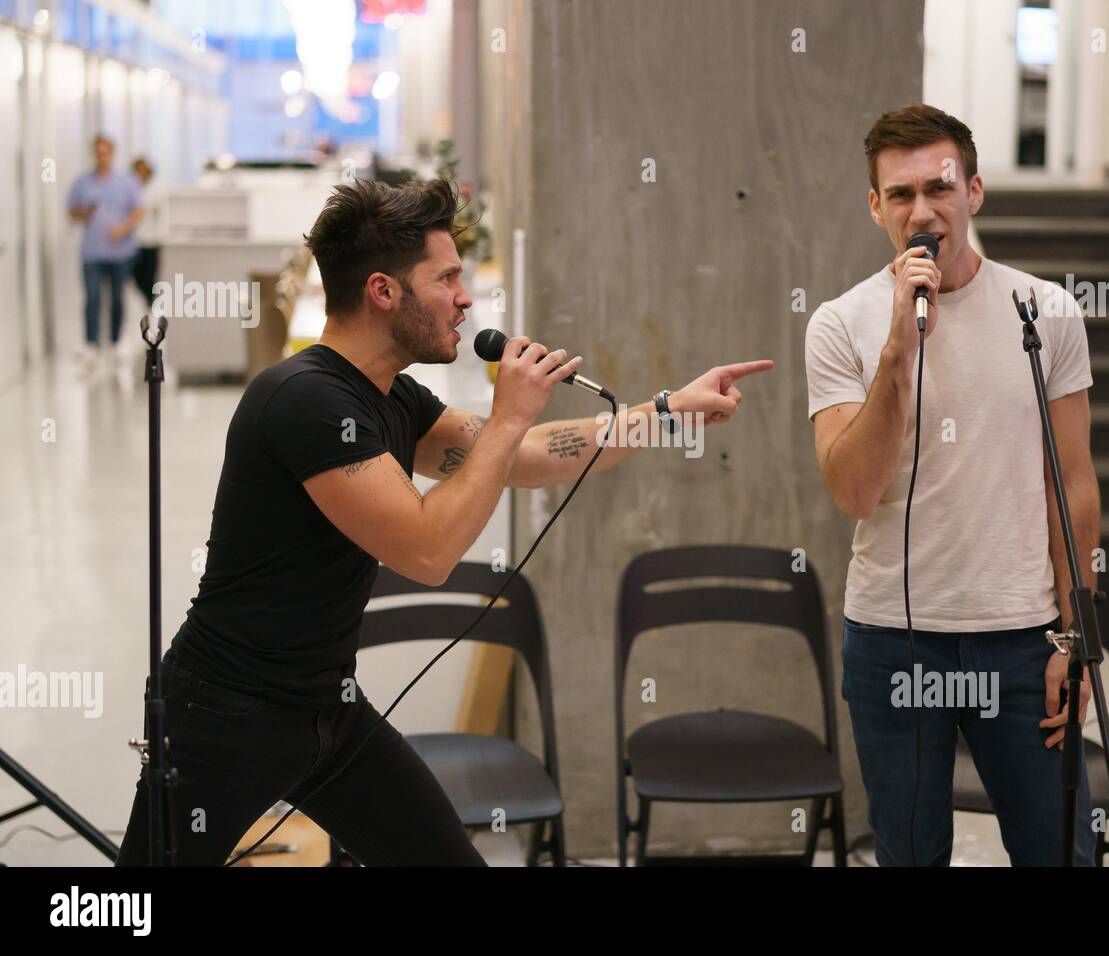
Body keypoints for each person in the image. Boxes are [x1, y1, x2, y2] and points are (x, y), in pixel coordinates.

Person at [116, 177, 772, 866]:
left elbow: (525, 455)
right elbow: (427, 551)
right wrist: (512, 412)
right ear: (382, 291)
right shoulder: (302, 401)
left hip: (326, 707)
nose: (465, 298)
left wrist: (667, 413)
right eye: (448, 278)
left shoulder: (391, 395)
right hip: (227, 715)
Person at [804, 104, 1099, 866]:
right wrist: (900, 343)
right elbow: (854, 492)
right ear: (875, 208)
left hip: (1022, 640)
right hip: (893, 643)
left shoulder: (1047, 312)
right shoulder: (840, 325)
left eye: (938, 187)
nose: (922, 210)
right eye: (899, 195)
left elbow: (1072, 484)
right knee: (910, 856)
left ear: (974, 191)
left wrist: (1074, 633)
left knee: (1057, 850)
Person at [67, 134, 141, 376]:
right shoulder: (82, 183)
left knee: (117, 299)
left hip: (120, 253)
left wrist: (123, 228)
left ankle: (117, 342)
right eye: (98, 152)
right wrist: (82, 213)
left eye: (105, 152)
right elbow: (70, 213)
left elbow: (139, 211)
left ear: (112, 154)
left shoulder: (126, 182)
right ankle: (91, 345)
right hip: (92, 253)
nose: (101, 156)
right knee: (92, 299)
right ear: (94, 154)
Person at [130, 157, 163, 316]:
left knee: (150, 277)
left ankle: (152, 307)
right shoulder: (132, 189)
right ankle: (146, 302)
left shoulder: (157, 189)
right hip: (134, 242)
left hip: (152, 241)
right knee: (137, 277)